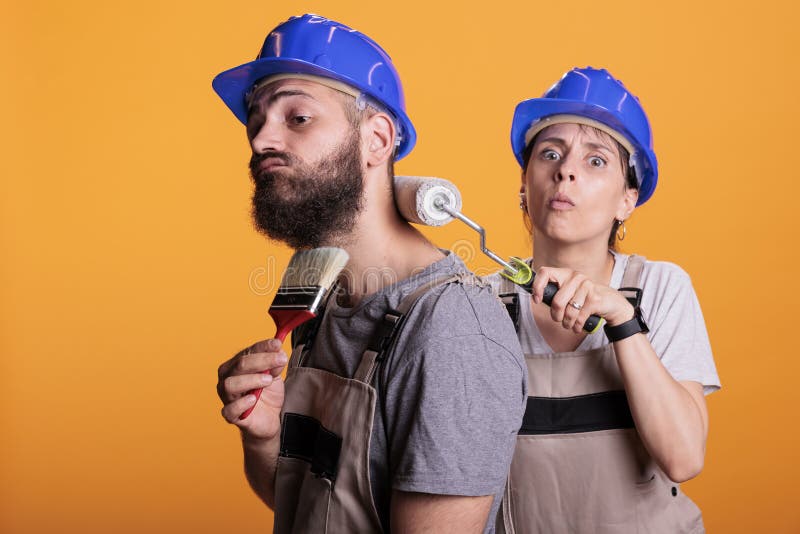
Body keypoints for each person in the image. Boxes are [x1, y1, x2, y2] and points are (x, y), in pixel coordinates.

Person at [212, 14, 526, 534]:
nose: (261, 138)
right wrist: (265, 437)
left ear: (377, 140)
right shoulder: (324, 297)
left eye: (297, 117)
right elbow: (306, 502)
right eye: (256, 117)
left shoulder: (452, 331)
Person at [488, 67, 721, 533]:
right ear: (524, 183)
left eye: (596, 161)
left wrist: (623, 321)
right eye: (550, 153)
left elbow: (683, 457)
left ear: (627, 200)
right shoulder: (482, 303)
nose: (566, 170)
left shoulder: (661, 288)